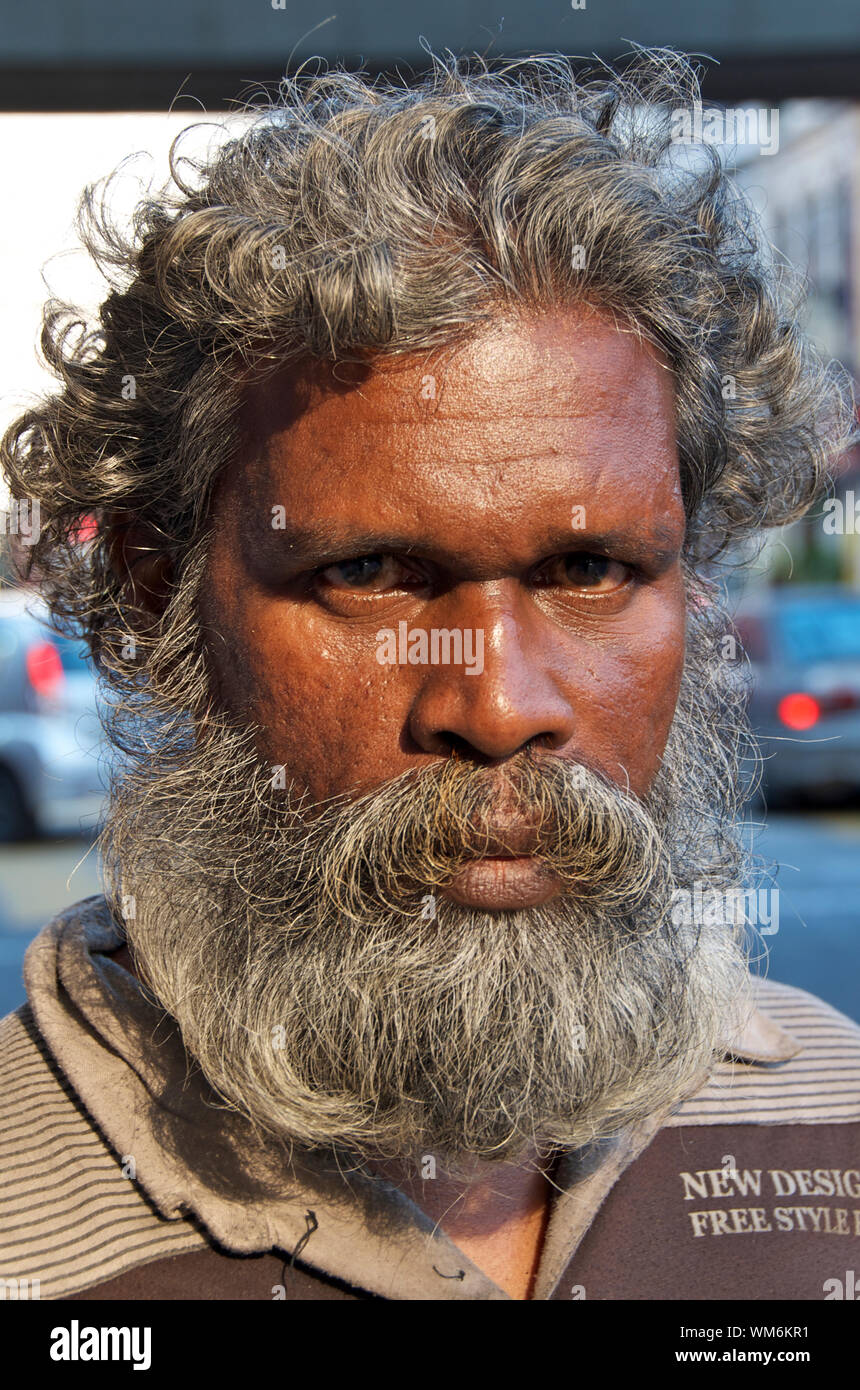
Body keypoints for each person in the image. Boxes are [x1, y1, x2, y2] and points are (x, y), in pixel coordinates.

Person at [1, 48, 858, 1302]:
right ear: (155, 595)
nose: (500, 704)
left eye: (587, 568)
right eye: (373, 574)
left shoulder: (830, 1113)